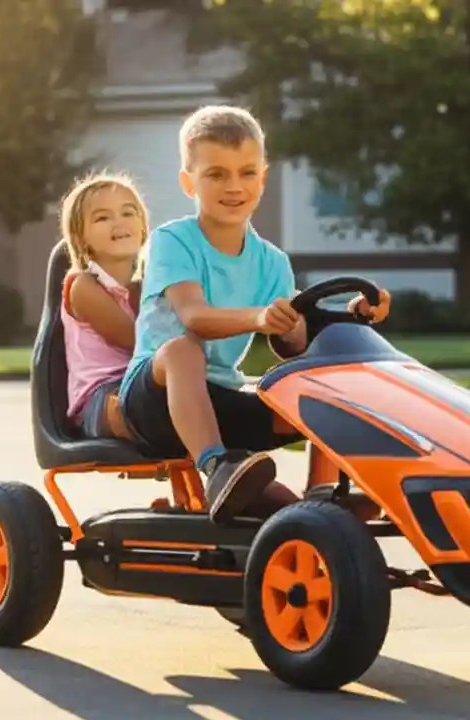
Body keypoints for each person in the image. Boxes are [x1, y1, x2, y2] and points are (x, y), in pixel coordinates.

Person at [117, 105, 391, 524]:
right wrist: (260, 318)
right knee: (182, 350)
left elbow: (290, 339)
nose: (234, 186)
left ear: (263, 177)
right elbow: (195, 317)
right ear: (188, 182)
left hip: (222, 401)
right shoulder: (173, 241)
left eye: (247, 172)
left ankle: (321, 496)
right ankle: (215, 468)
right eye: (216, 174)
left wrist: (351, 314)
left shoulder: (273, 262)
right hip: (153, 398)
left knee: (319, 383)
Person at [59, 171, 148, 441]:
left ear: (143, 227)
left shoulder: (149, 285)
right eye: (102, 217)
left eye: (128, 213)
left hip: (146, 386)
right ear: (81, 238)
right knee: (164, 403)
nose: (118, 222)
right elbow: (139, 342)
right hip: (101, 398)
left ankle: (232, 470)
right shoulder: (84, 287)